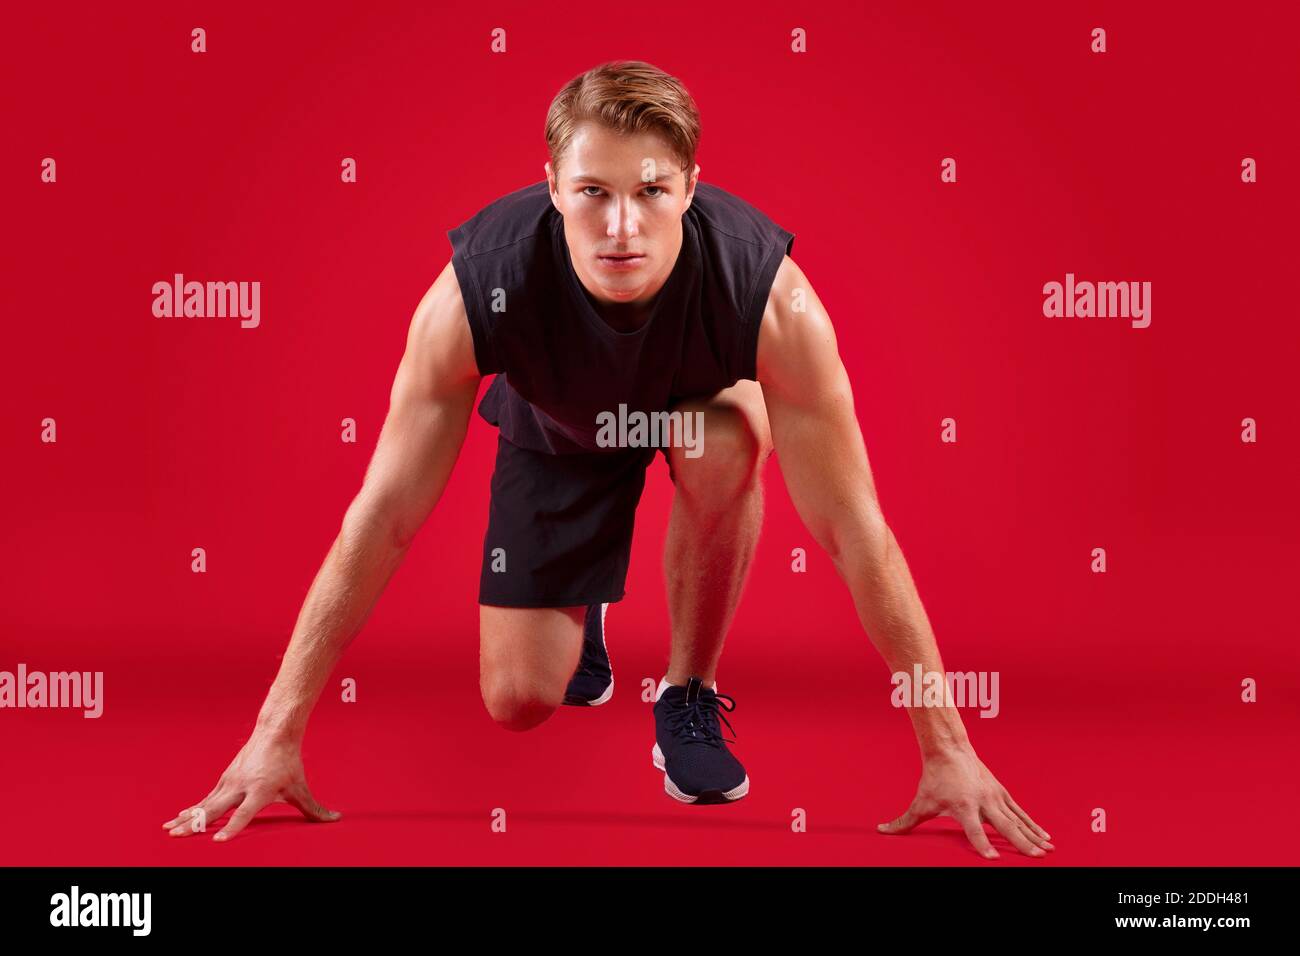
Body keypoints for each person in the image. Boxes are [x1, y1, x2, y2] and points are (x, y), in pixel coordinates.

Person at [163, 60, 1052, 859]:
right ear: (550, 185)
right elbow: (383, 515)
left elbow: (858, 531)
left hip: (690, 412)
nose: (622, 224)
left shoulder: (771, 298)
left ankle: (686, 693)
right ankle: (580, 602)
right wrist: (275, 730)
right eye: (592, 191)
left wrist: (949, 748)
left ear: (692, 188)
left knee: (729, 440)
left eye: (652, 191)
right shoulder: (477, 292)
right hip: (558, 424)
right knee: (516, 701)